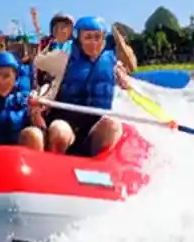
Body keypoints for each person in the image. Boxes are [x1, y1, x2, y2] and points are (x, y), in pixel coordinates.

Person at [30, 16, 133, 157]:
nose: (93, 43)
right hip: (67, 120)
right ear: (79, 39)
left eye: (97, 37)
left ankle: (97, 168)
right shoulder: (64, 57)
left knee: (113, 125)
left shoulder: (111, 60)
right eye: (88, 37)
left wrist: (123, 76)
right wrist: (54, 42)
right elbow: (38, 62)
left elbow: (130, 69)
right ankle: (55, 166)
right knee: (59, 130)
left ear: (103, 38)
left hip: (94, 125)